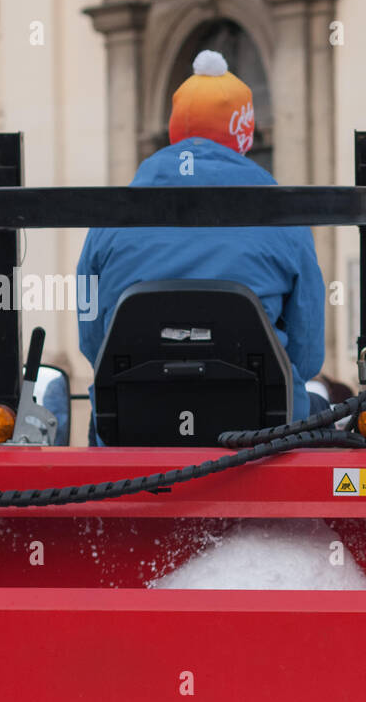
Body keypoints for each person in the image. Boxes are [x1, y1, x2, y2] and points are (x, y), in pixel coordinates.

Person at [76, 50, 325, 443]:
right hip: (260, 434)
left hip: (130, 429)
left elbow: (91, 341)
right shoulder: (286, 221)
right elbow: (308, 355)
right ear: (244, 132)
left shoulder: (108, 221)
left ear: (174, 130)